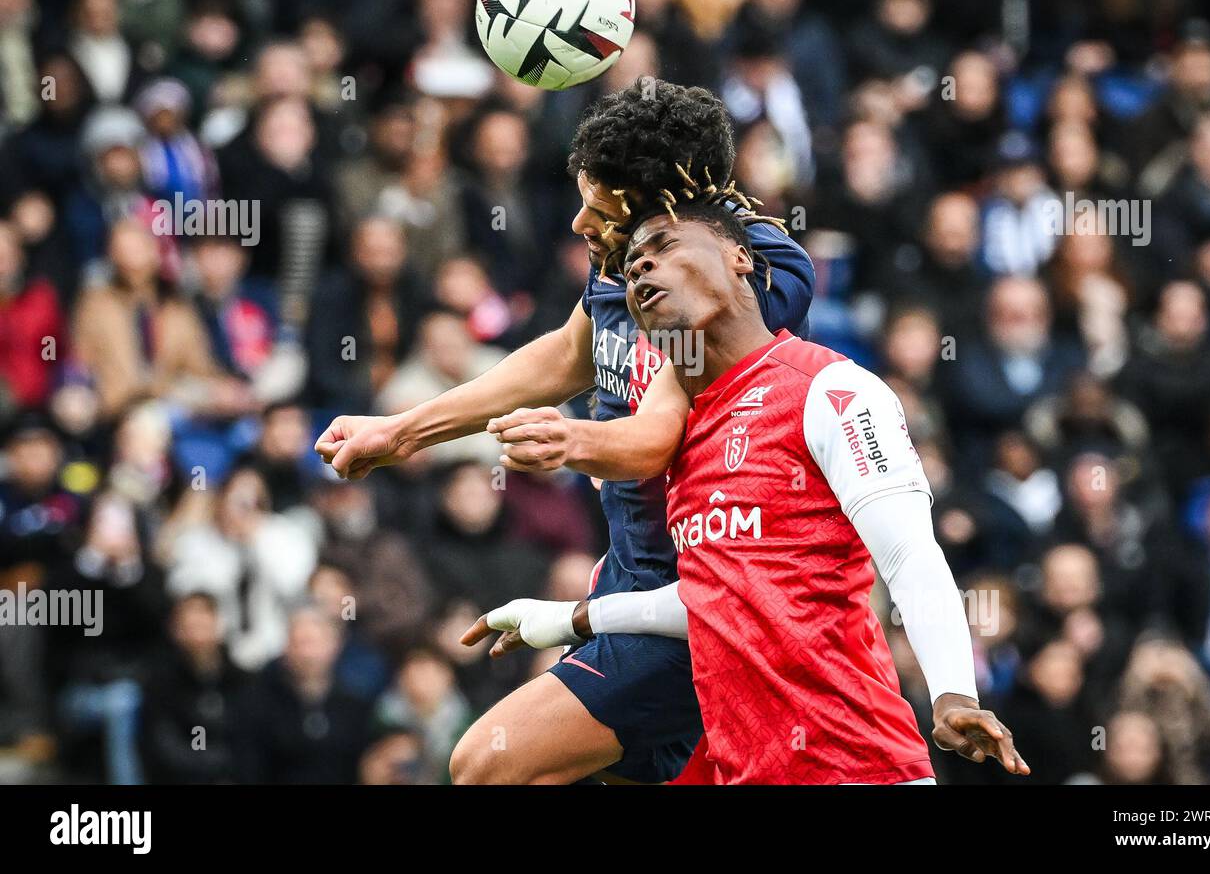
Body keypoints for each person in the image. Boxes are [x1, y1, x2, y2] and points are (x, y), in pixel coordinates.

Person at [314, 81, 815, 784]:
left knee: (488, 763)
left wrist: (571, 442)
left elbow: (658, 435)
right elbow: (565, 356)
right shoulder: (627, 261)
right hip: (634, 582)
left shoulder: (739, 272)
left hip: (706, 598)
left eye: (598, 206)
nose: (581, 222)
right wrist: (402, 431)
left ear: (656, 204)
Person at [468, 189, 1027, 783]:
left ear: (740, 257)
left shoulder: (831, 389)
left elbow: (911, 555)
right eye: (631, 269)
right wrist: (567, 619)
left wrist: (953, 691)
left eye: (663, 246)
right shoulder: (688, 440)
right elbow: (717, 601)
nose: (641, 270)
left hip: (857, 765)